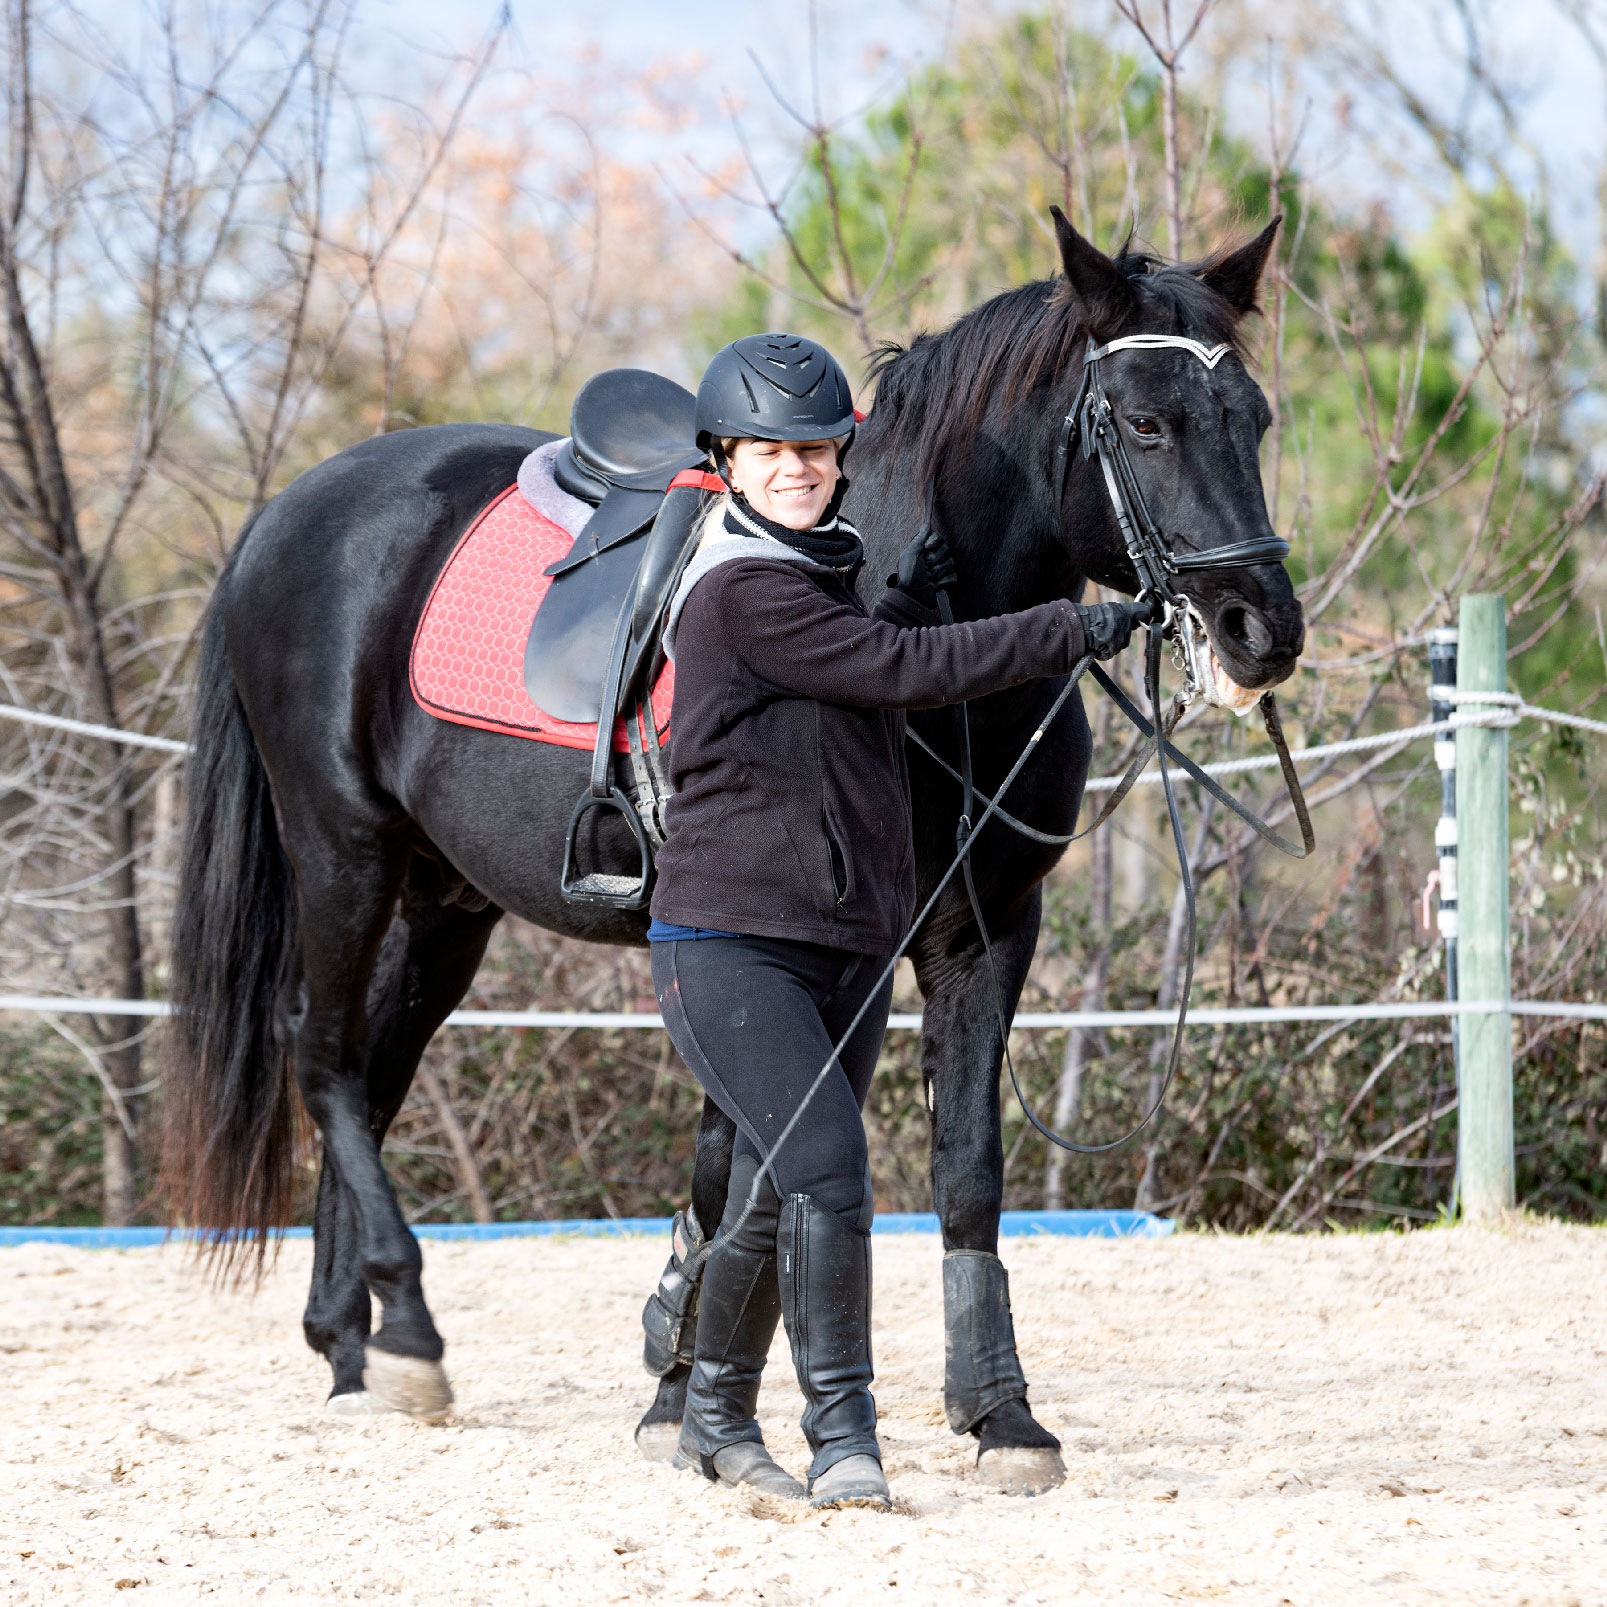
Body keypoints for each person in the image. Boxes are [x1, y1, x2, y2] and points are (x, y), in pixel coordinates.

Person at [648, 331, 1144, 1510]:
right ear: (726, 459)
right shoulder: (739, 589)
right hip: (733, 942)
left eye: (817, 447)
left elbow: (873, 665)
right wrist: (1067, 630)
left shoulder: (825, 571)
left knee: (776, 1193)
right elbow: (890, 670)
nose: (797, 466)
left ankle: (710, 1414)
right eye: (769, 448)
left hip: (845, 945)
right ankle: (843, 1433)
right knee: (830, 1170)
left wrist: (912, 599)